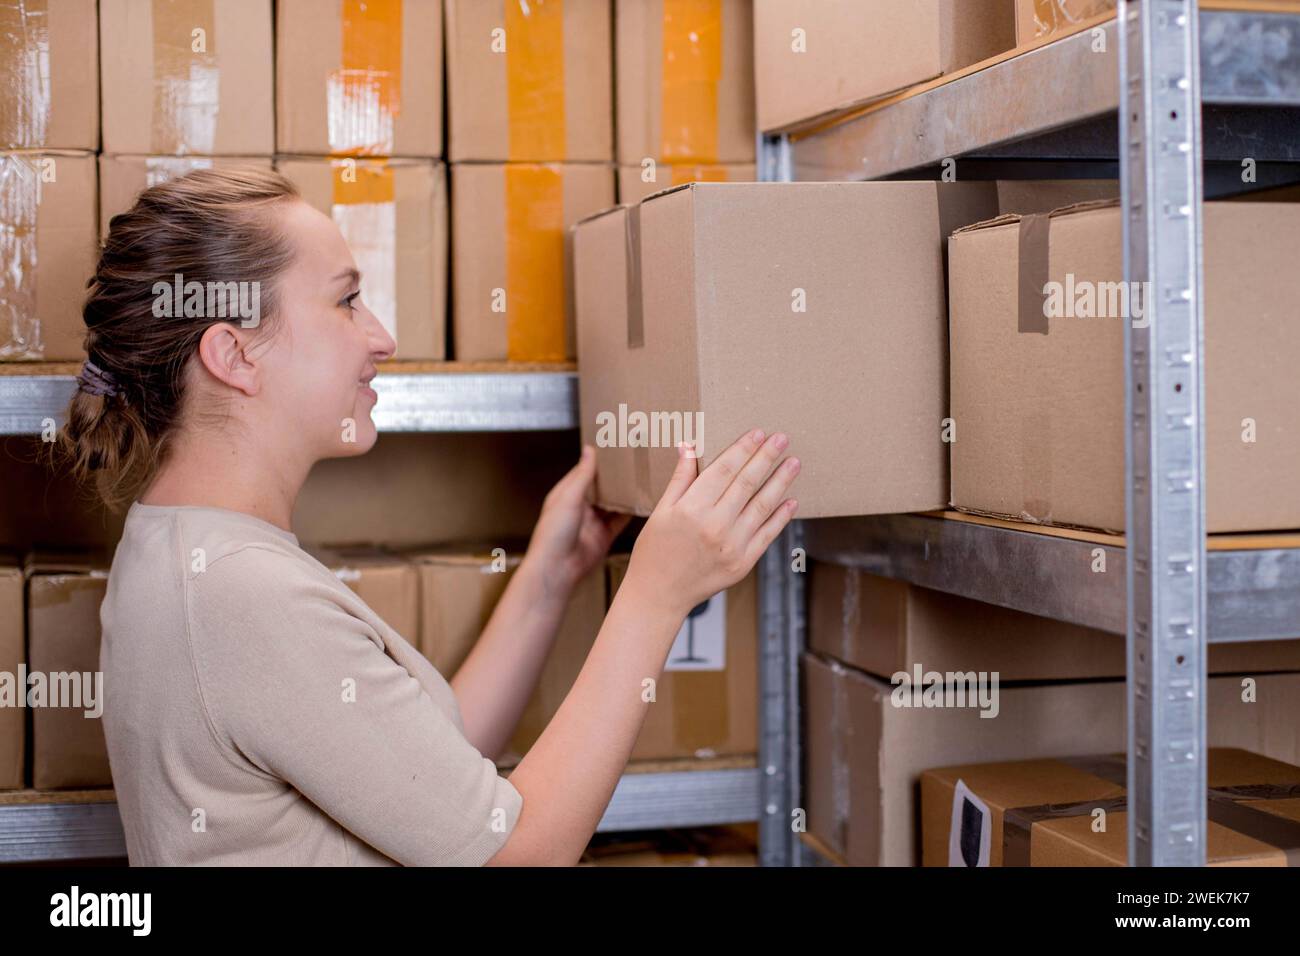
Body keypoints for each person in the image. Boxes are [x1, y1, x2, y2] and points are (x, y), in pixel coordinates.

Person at [59, 167, 800, 866]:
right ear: (235, 354)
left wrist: (549, 579)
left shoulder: (180, 546)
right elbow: (515, 853)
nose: (381, 337)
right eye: (346, 301)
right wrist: (656, 596)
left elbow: (432, 785)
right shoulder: (241, 596)